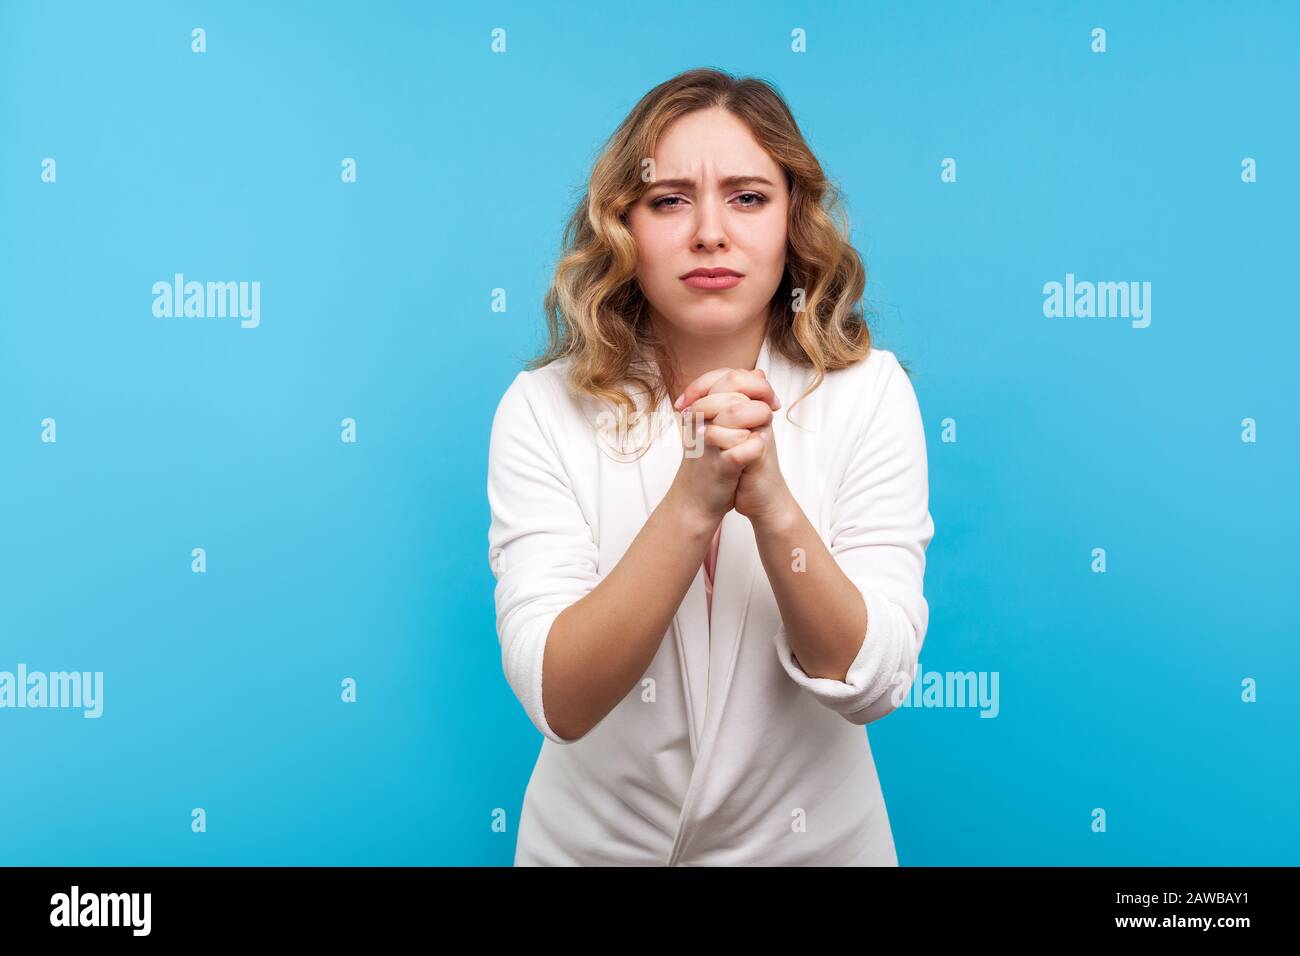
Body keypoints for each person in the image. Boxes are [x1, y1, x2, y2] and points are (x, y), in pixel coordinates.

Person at [486, 68, 935, 866]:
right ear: (623, 224)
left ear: (794, 219)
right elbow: (559, 694)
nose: (709, 232)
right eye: (669, 200)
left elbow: (873, 681)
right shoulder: (541, 408)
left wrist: (770, 504)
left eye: (748, 196)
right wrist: (694, 500)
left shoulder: (869, 394)